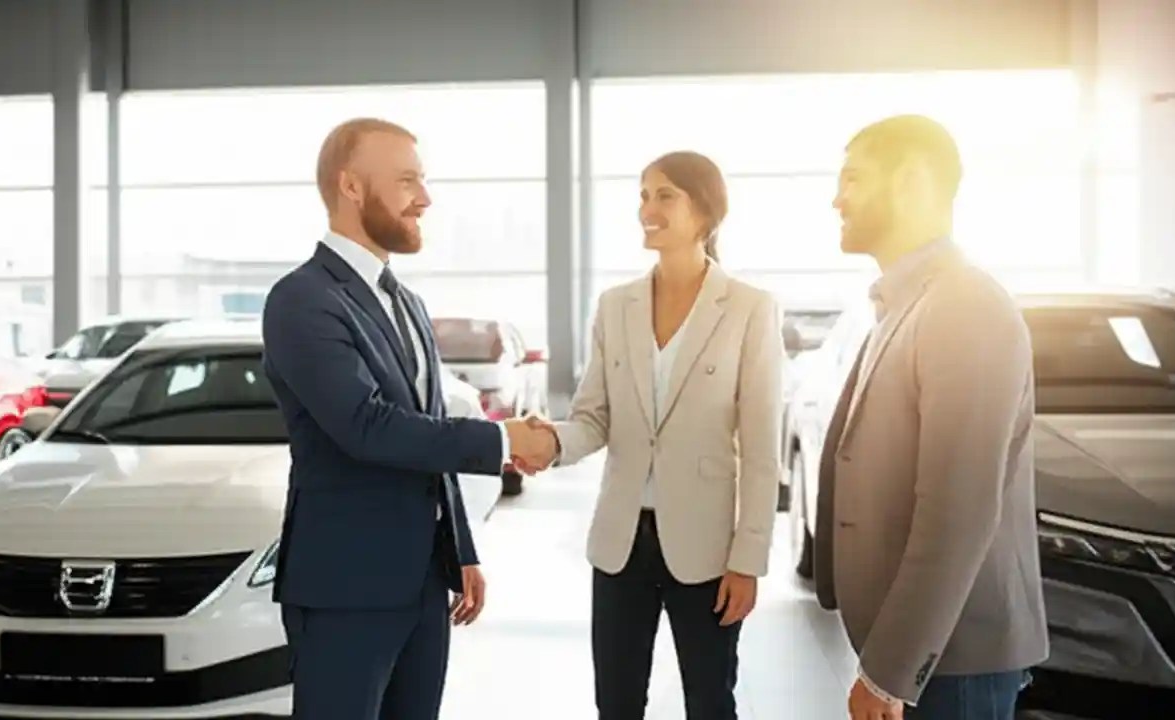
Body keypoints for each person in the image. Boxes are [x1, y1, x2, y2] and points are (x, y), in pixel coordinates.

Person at [260, 117, 555, 720]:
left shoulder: (407, 302)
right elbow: (366, 426)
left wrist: (460, 551)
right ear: (351, 187)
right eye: (406, 181)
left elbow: (427, 430)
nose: (425, 197)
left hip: (422, 582)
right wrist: (501, 438)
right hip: (345, 586)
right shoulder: (302, 299)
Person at [523, 151, 786, 719]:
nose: (648, 208)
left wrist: (749, 560)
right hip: (621, 546)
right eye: (643, 195)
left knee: (710, 703)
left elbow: (763, 450)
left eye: (665, 195)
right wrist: (549, 443)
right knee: (616, 704)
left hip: (707, 549)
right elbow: (594, 418)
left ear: (706, 211)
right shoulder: (615, 307)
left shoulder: (748, 309)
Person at [814, 115, 1049, 720]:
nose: (836, 198)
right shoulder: (906, 302)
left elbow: (958, 508)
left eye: (854, 179)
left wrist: (892, 673)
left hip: (953, 662)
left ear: (913, 182)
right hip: (930, 655)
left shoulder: (964, 305)